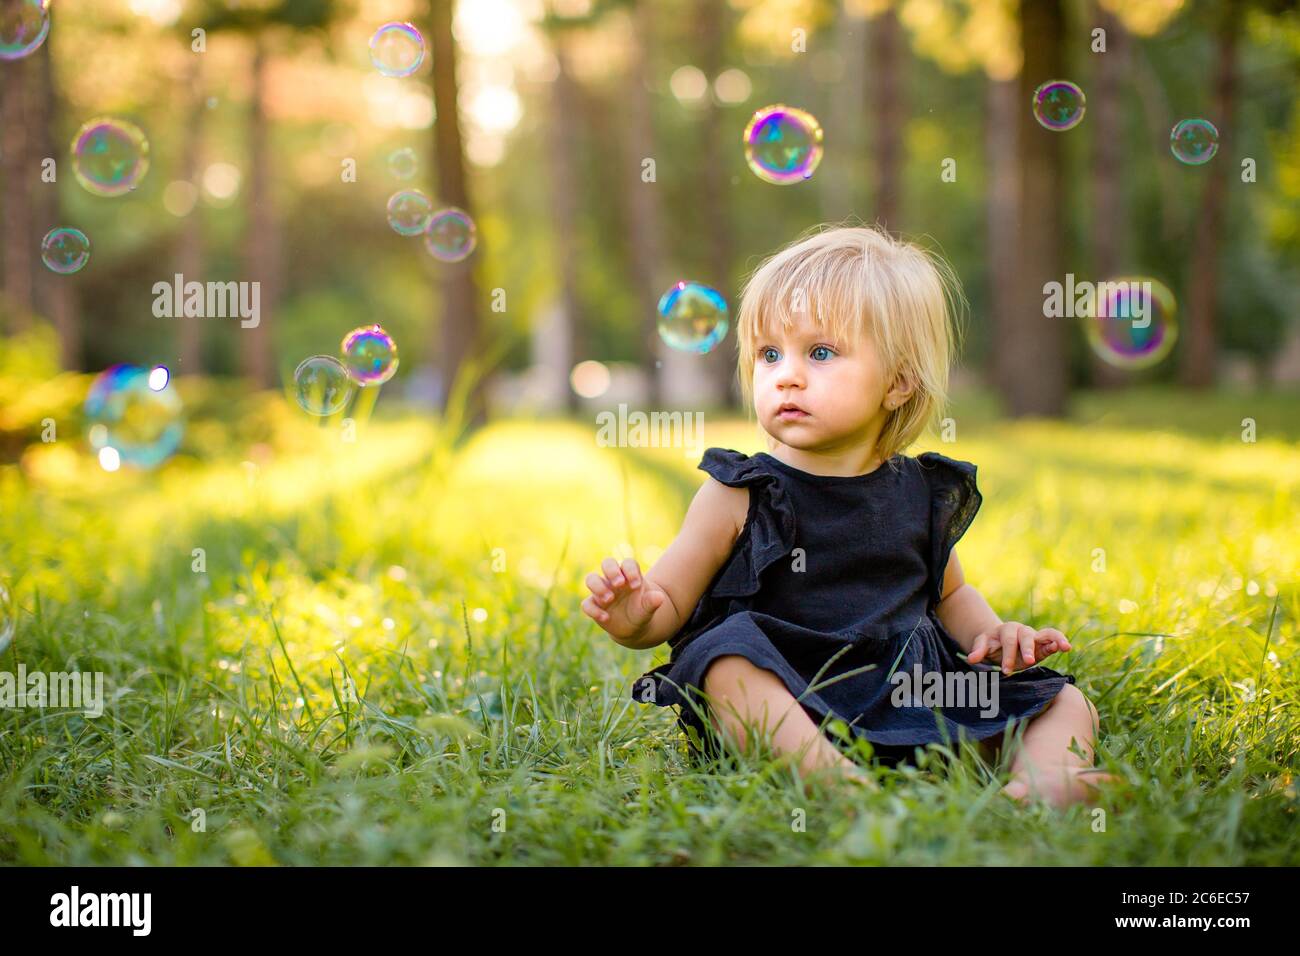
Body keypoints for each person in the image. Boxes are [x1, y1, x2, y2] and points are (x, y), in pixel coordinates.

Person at [581, 224, 1119, 809]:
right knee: (727, 658)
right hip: (791, 694)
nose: (786, 374)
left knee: (1063, 699)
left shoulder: (917, 491)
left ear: (899, 382)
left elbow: (952, 596)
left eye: (820, 352)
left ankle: (1044, 782)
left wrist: (993, 635)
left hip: (910, 692)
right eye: (768, 354)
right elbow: (670, 604)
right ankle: (839, 786)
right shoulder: (739, 493)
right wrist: (637, 616)